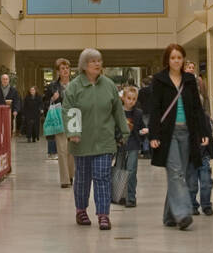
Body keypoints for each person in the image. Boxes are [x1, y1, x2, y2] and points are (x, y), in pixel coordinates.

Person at [63, 48, 128, 230]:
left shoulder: (108, 85)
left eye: (99, 61)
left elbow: (118, 111)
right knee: (82, 178)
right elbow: (68, 110)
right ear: (84, 65)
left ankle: (103, 215)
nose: (97, 64)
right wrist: (72, 132)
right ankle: (81, 210)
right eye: (93, 61)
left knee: (102, 177)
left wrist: (124, 132)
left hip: (104, 141)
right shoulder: (74, 87)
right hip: (81, 141)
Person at [147, 43, 209, 230]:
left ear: (183, 60)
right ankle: (182, 214)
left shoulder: (190, 80)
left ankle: (169, 216)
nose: (176, 61)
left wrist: (203, 132)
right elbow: (155, 108)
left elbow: (197, 109)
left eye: (179, 57)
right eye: (173, 58)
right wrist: (154, 134)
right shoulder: (159, 80)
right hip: (168, 133)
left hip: (187, 132)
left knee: (179, 174)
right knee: (175, 173)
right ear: (168, 60)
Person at [184, 62, 213, 216]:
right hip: (190, 153)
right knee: (191, 183)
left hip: (203, 152)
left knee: (206, 182)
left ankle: (206, 204)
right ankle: (192, 204)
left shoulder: (203, 117)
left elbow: (208, 129)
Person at [44, 58, 76, 187]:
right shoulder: (52, 86)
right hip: (59, 117)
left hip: (73, 117)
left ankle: (70, 175)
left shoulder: (76, 85)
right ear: (58, 71)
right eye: (62, 68)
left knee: (72, 149)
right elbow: (45, 102)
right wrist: (52, 98)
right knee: (62, 149)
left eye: (67, 68)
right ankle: (64, 180)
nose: (65, 71)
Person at [115, 86, 148, 207]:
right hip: (120, 145)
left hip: (133, 144)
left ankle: (131, 197)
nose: (131, 101)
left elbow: (140, 127)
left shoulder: (138, 113)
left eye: (134, 99)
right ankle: (119, 195)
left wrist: (143, 131)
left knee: (131, 170)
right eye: (128, 98)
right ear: (123, 98)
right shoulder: (118, 112)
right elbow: (114, 127)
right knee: (119, 169)